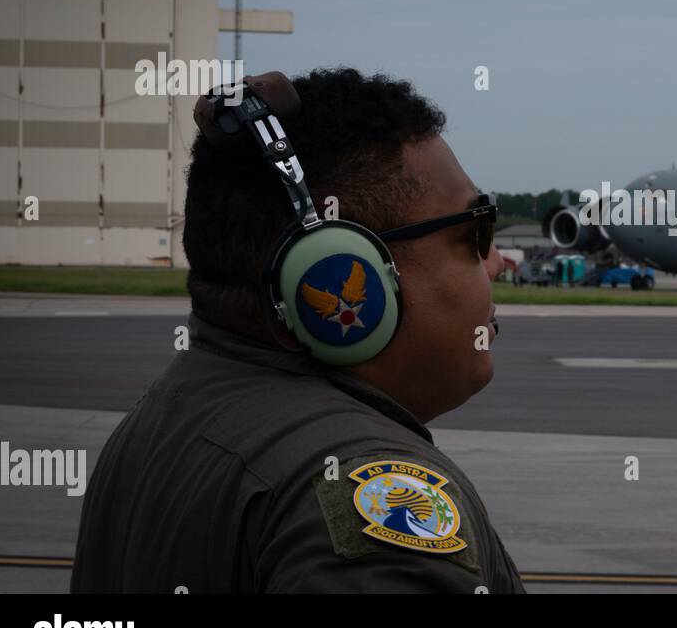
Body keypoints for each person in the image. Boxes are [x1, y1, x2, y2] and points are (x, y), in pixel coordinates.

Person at [71, 67, 524, 593]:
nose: (493, 263)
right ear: (337, 271)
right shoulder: (375, 499)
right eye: (474, 233)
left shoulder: (165, 415)